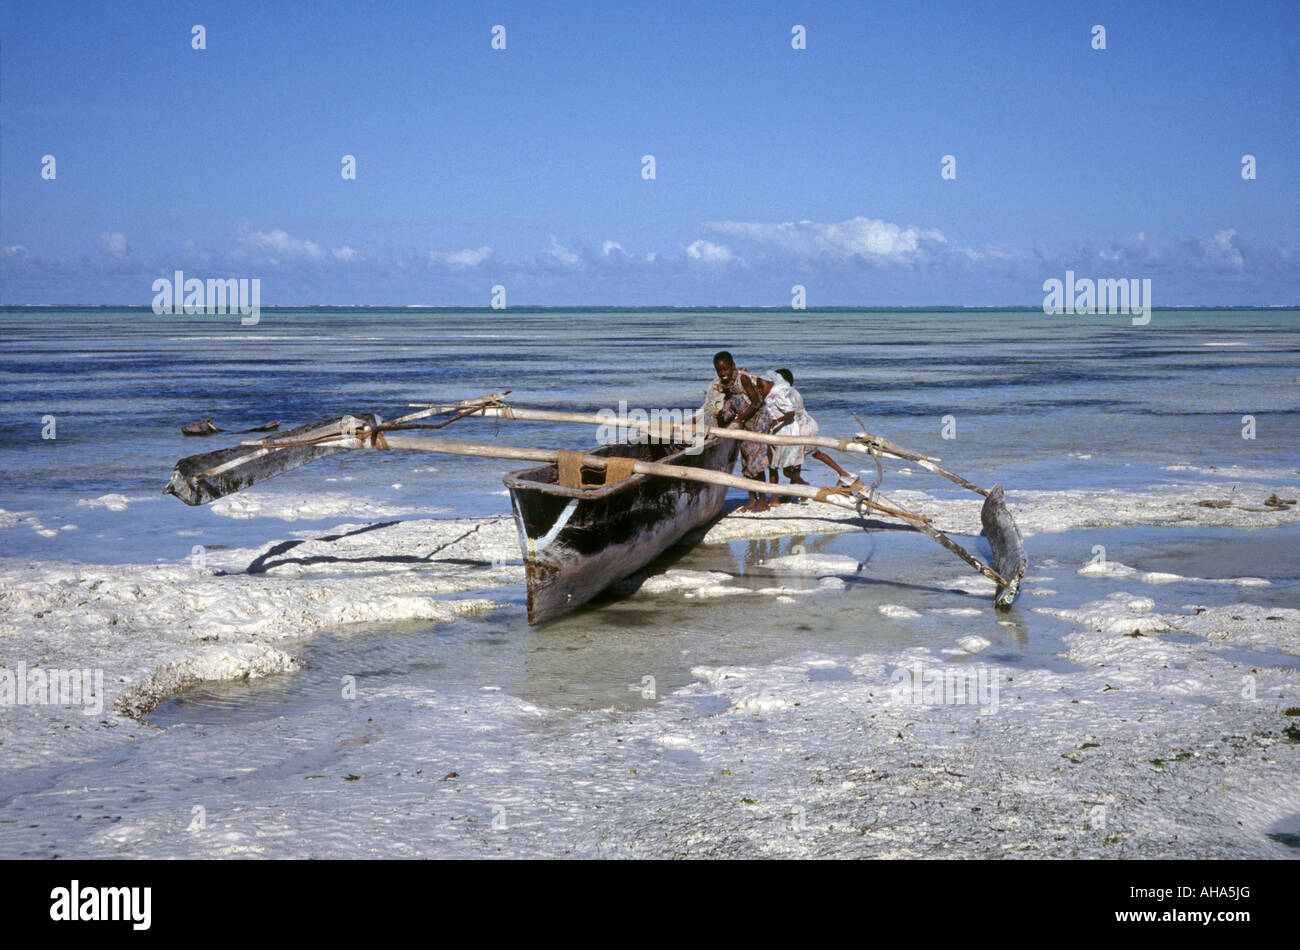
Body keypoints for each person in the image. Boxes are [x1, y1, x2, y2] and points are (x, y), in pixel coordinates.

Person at [700, 351, 776, 512]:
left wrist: (739, 419)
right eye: (719, 371)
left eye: (726, 369)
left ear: (733, 366)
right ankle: (752, 500)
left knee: (756, 461)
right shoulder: (724, 384)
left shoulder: (742, 378)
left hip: (757, 422)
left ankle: (763, 501)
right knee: (746, 460)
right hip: (745, 422)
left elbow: (756, 402)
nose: (723, 373)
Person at [766, 368, 854, 496]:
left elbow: (788, 413)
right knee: (813, 454)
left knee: (790, 468)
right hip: (807, 424)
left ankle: (803, 486)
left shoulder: (784, 392)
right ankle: (841, 472)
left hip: (800, 428)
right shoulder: (792, 391)